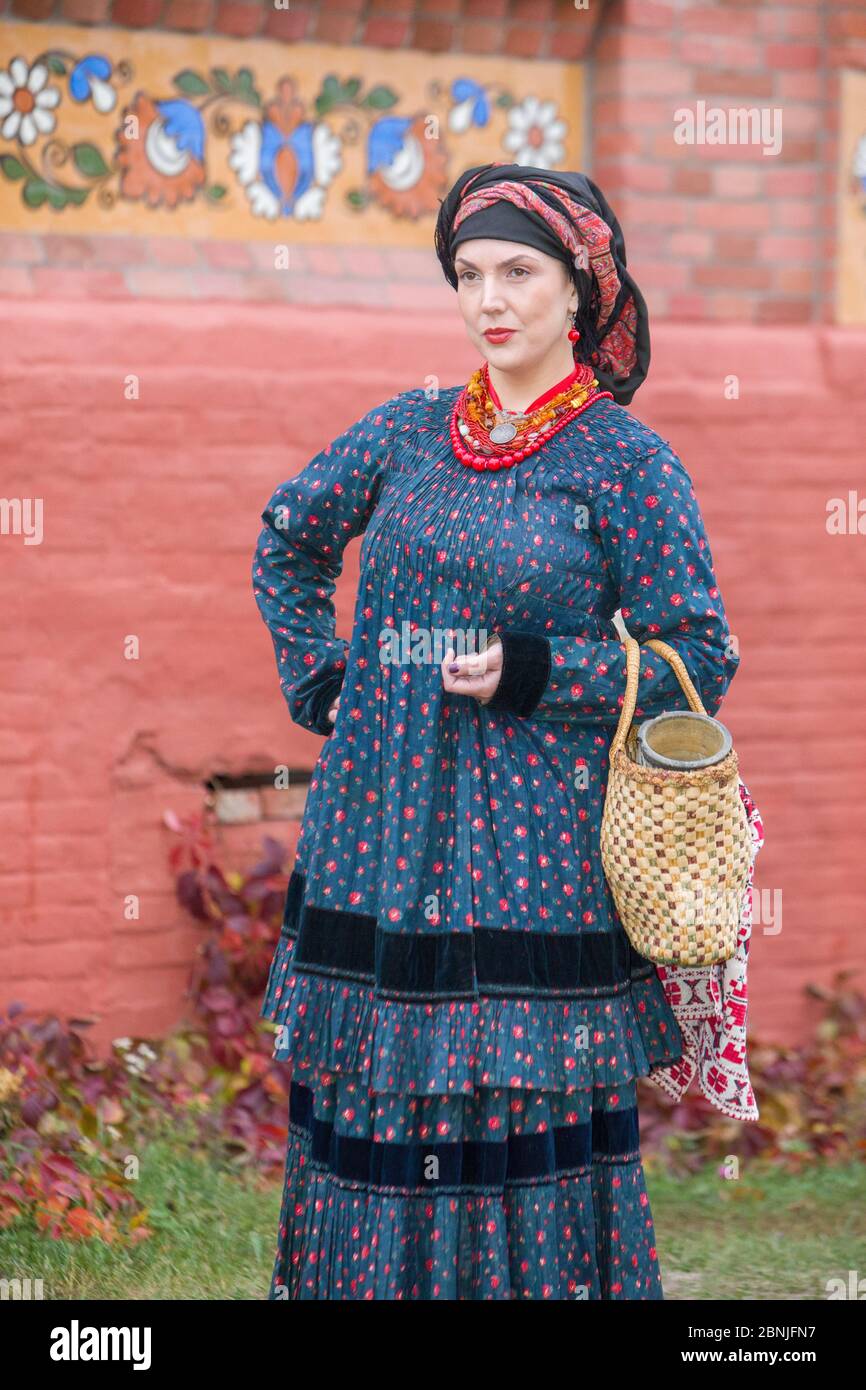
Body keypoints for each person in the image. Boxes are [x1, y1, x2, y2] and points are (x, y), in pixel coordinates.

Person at [252, 162, 742, 1300]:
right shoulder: (405, 433)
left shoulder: (626, 465)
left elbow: (695, 663)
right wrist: (325, 683)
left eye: (518, 271)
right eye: (468, 275)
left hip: (537, 860)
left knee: (523, 1113)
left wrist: (537, 671)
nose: (490, 299)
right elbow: (287, 542)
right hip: (381, 833)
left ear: (581, 290)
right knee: (376, 1098)